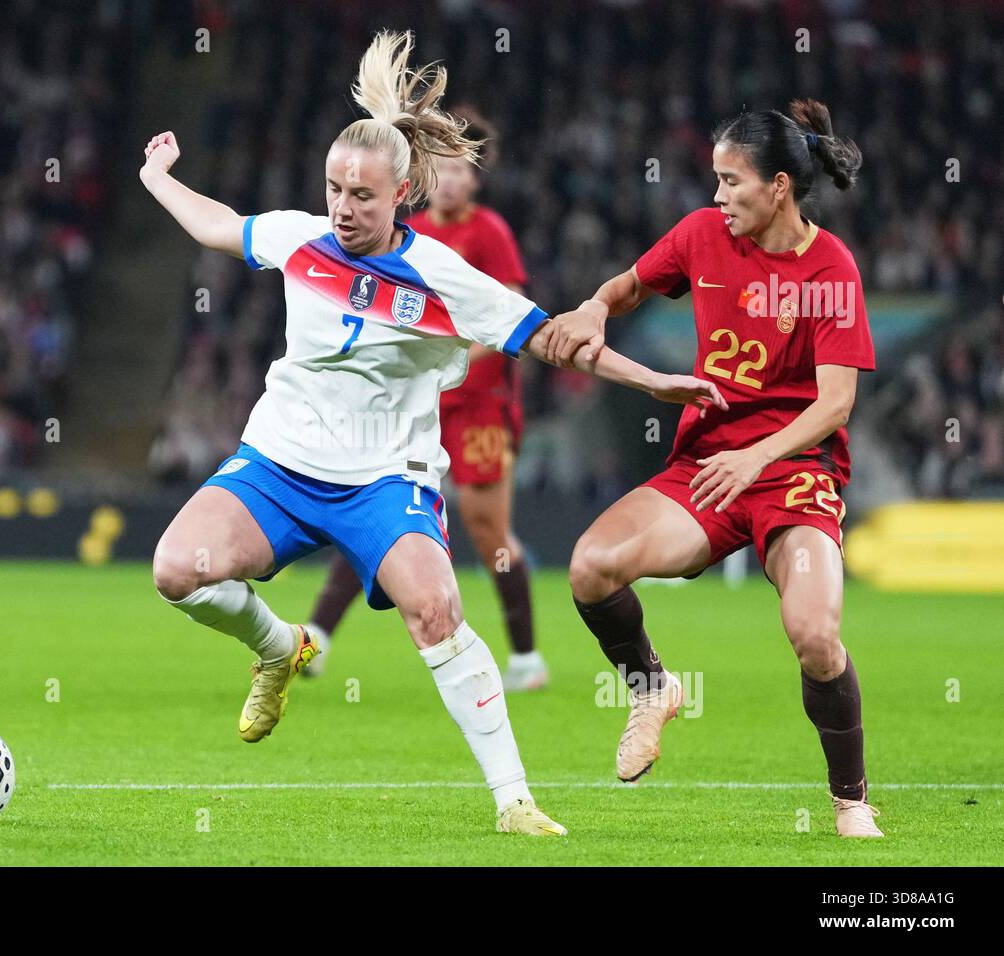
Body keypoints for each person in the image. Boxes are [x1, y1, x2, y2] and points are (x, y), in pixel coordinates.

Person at [142, 30, 723, 835]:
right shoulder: (299, 237)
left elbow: (557, 339)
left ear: (403, 193)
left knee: (437, 610)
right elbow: (218, 225)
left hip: (387, 477)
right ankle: (281, 649)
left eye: (362, 196)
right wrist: (155, 177)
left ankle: (513, 800)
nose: (344, 207)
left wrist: (654, 380)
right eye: (335, 189)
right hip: (277, 462)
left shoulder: (447, 280)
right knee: (177, 570)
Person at [564, 99, 881, 837]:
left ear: (778, 187)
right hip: (708, 466)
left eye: (729, 180)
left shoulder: (830, 266)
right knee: (589, 567)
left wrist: (758, 457)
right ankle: (653, 688)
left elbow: (835, 404)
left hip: (795, 471)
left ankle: (851, 798)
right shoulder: (702, 235)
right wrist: (593, 308)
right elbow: (628, 285)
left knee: (814, 634)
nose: (715, 196)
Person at [303, 112, 549, 691]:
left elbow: (506, 322)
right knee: (375, 511)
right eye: (442, 169)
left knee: (488, 532)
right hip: (418, 404)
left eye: (463, 169)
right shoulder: (403, 234)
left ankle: (526, 657)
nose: (451, 180)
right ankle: (317, 637)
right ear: (421, 176)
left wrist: (442, 367)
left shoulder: (488, 231)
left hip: (479, 406)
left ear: (477, 179)